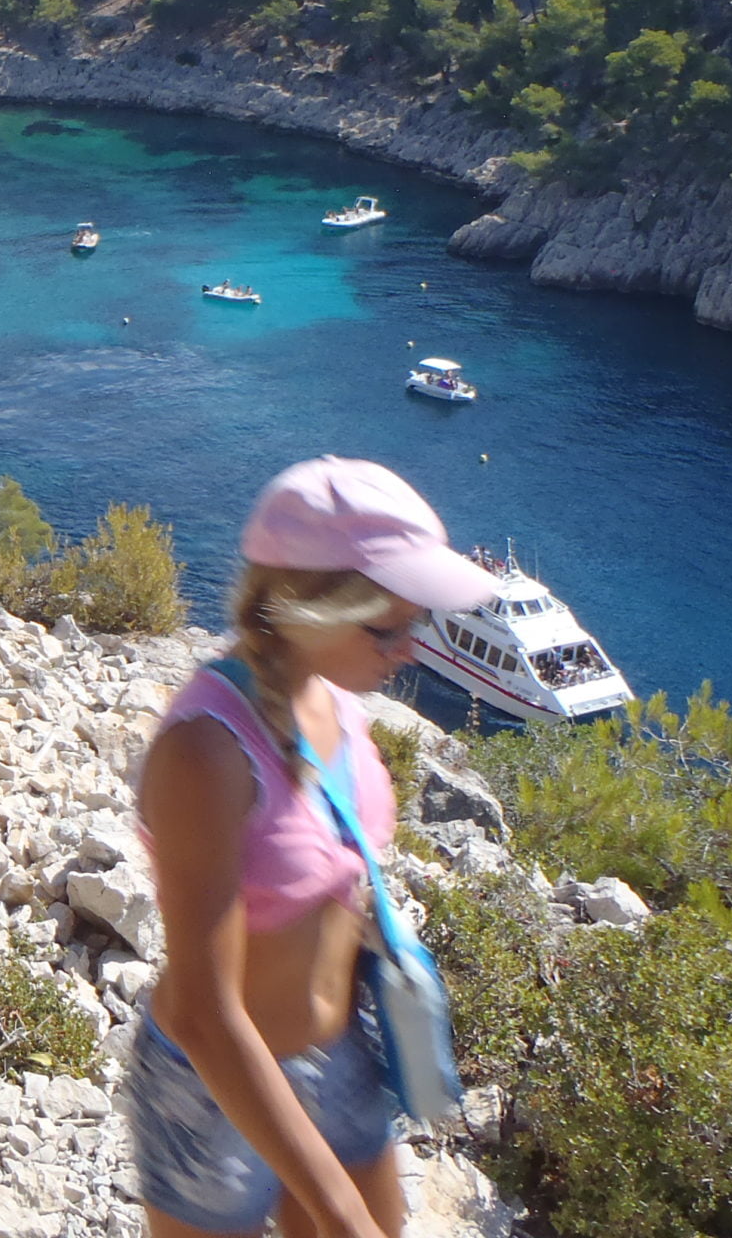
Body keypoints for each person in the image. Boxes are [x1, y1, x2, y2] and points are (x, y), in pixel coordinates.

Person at [133, 456, 501, 1238]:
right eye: (391, 627)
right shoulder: (207, 753)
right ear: (313, 606)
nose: (412, 649)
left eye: (417, 623)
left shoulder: (338, 702)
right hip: (215, 1087)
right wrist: (342, 1216)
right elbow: (205, 1013)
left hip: (341, 1057)